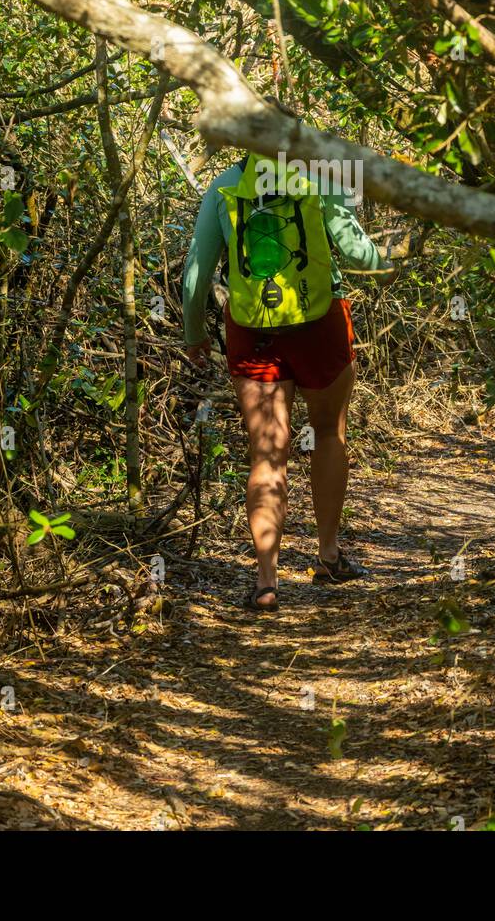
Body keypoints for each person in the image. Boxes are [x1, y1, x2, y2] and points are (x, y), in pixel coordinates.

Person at [182, 106, 391, 611]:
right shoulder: (321, 180)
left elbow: (194, 278)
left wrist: (194, 335)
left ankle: (266, 580)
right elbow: (359, 256)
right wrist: (389, 258)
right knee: (327, 433)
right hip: (320, 324)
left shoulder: (224, 188)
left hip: (252, 331)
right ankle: (328, 554)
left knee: (267, 451)